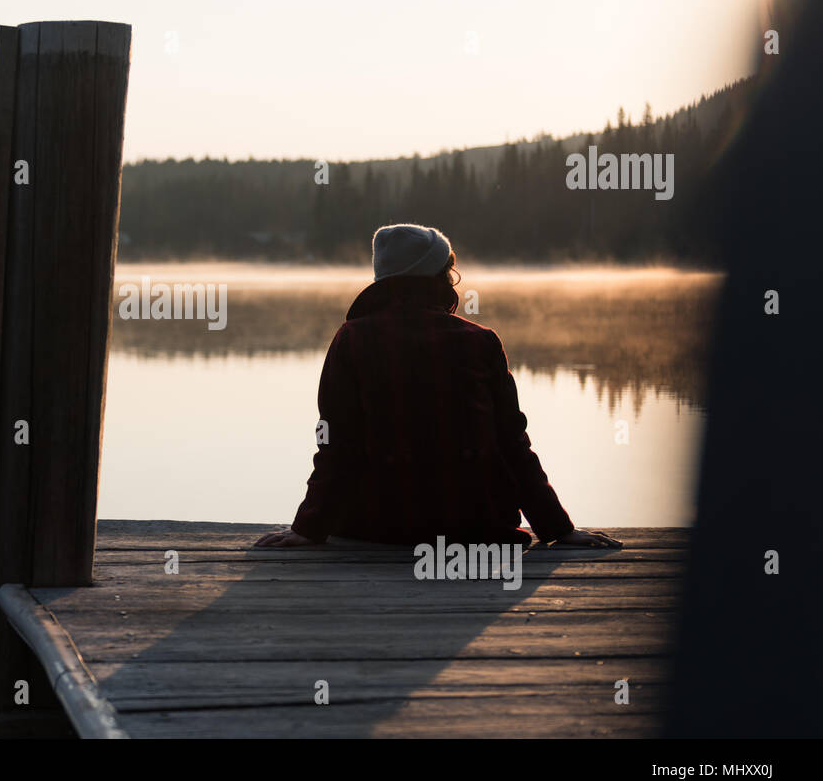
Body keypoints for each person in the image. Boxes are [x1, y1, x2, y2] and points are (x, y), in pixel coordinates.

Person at [255, 224, 621, 550]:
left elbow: (335, 442)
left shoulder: (353, 340)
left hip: (377, 528)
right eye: (449, 270)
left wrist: (309, 527)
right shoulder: (481, 341)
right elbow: (513, 443)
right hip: (477, 529)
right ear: (438, 276)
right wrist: (557, 528)